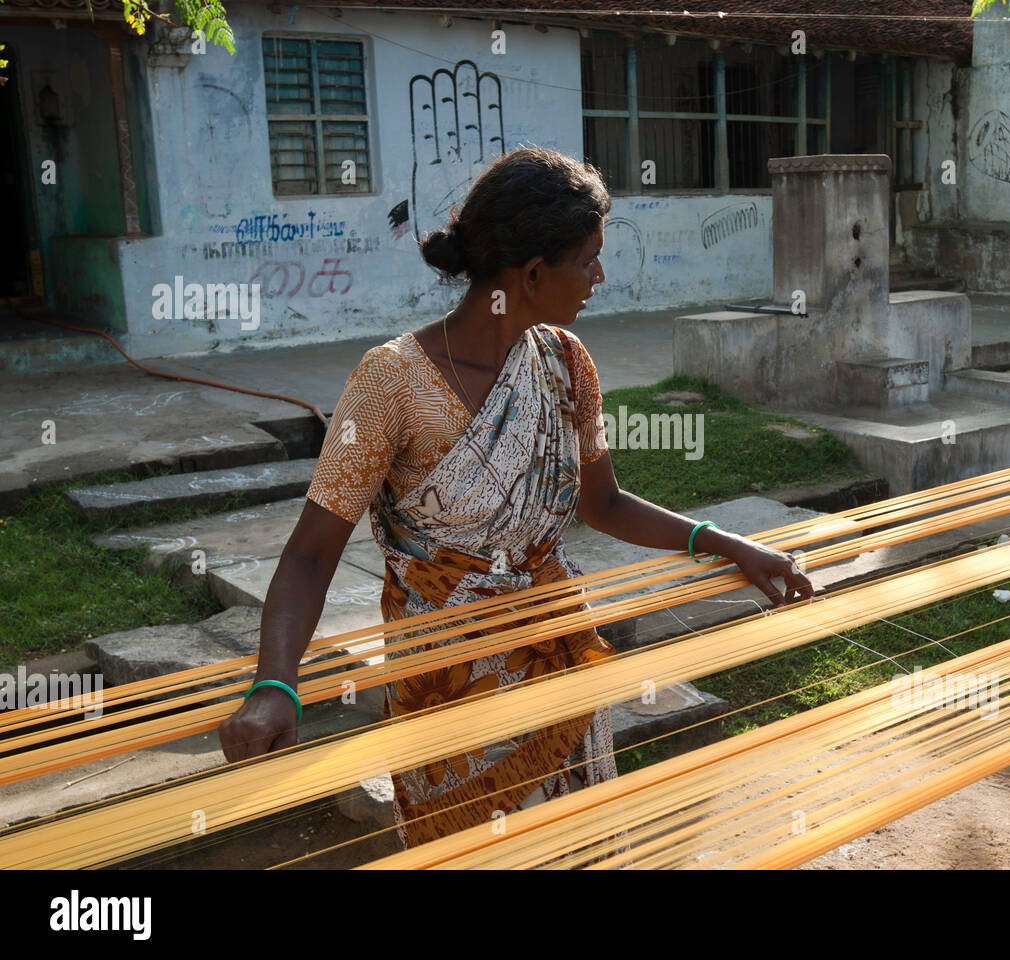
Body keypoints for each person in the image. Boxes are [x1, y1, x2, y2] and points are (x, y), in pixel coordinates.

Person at [217, 146, 814, 848]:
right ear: (532, 274)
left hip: (554, 669)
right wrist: (275, 685)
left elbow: (605, 504)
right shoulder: (391, 385)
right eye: (589, 259)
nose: (601, 276)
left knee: (577, 849)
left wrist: (726, 544)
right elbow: (312, 557)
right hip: (447, 700)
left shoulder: (565, 364)